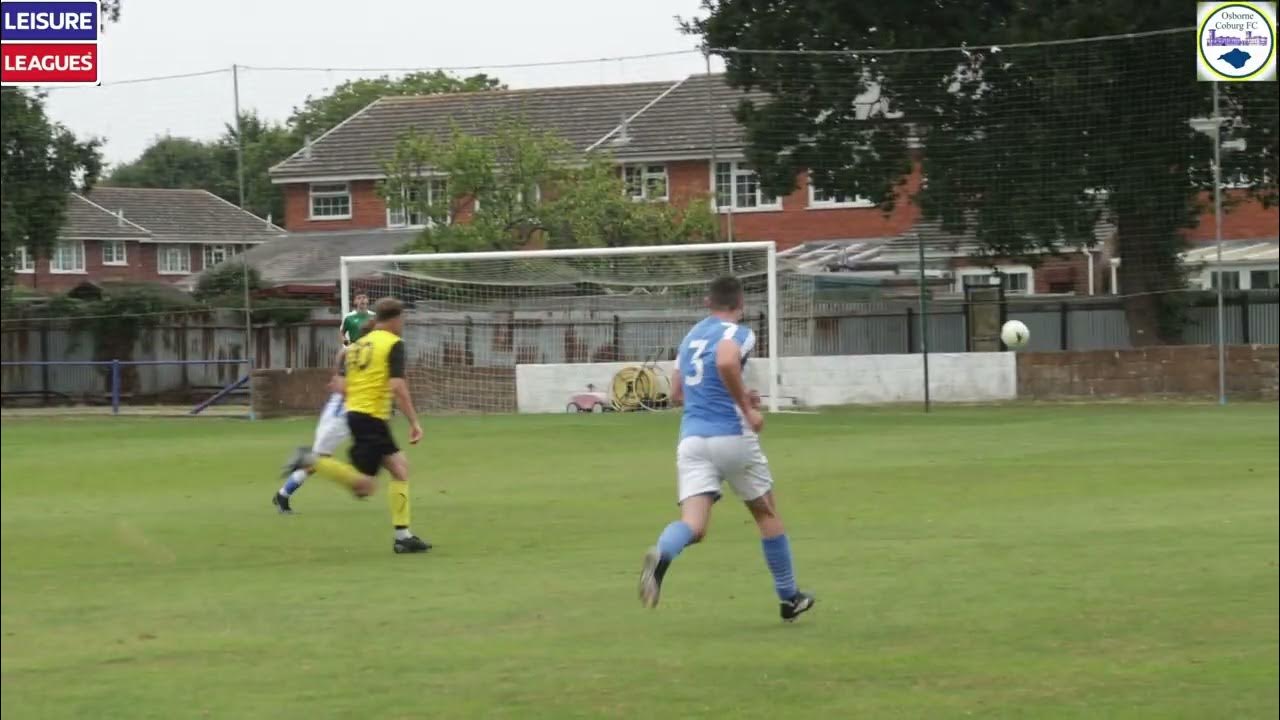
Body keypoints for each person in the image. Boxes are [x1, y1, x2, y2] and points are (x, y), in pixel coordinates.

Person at [637, 276, 815, 621]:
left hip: (691, 440)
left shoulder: (690, 337)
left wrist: (737, 394)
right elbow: (725, 362)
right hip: (731, 436)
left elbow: (676, 394)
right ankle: (789, 597)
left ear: (708, 302)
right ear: (741, 305)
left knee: (694, 525)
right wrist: (746, 407)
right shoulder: (738, 332)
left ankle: (663, 552)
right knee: (766, 514)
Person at [283, 298, 430, 554]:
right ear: (395, 319)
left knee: (400, 468)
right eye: (402, 320)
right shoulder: (393, 343)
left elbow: (343, 382)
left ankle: (403, 537)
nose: (403, 325)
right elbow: (397, 386)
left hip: (358, 415)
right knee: (365, 486)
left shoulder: (358, 345)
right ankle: (311, 460)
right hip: (371, 418)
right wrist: (414, 421)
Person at [272, 318, 377, 514]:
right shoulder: (360, 354)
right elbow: (345, 381)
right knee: (317, 460)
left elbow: (341, 361)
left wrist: (338, 377)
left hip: (343, 412)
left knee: (319, 461)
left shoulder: (356, 352)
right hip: (339, 416)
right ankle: (283, 495)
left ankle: (283, 495)